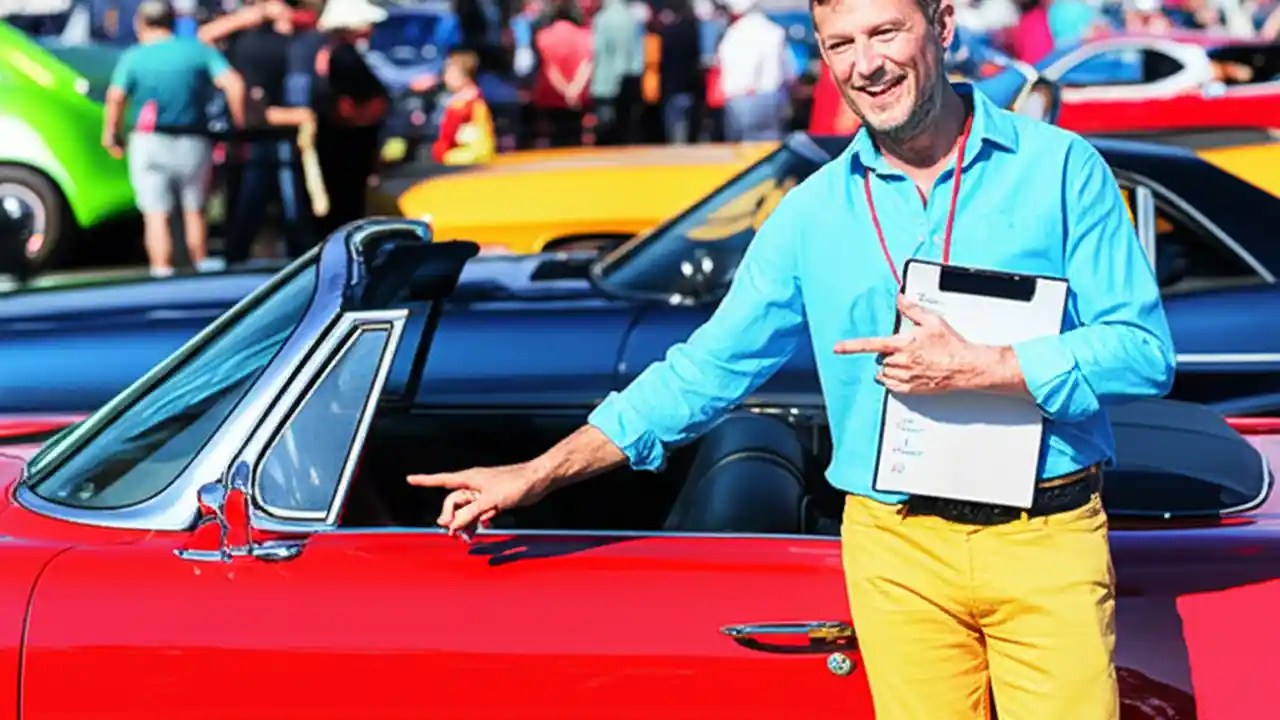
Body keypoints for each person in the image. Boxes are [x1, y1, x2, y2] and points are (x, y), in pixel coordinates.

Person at [405, 0, 1177, 717]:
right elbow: (701, 371)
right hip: (894, 546)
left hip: (1041, 539)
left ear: (941, 27)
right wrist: (539, 470)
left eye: (885, 33)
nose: (865, 64)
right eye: (841, 44)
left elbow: (1142, 354)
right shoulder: (810, 213)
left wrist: (988, 365)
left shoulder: (1060, 169)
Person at [103, 0, 246, 277]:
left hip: (148, 141)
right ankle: (200, 263)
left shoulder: (134, 56)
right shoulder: (197, 51)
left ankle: (162, 270)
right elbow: (234, 84)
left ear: (140, 23)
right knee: (195, 209)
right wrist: (238, 125)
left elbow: (116, 97)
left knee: (156, 214)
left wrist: (112, 134)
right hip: (194, 141)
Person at [199, 0, 317, 264]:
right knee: (246, 207)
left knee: (293, 208)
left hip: (285, 132)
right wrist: (253, 15)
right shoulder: (241, 32)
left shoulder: (297, 34)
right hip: (252, 133)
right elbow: (204, 37)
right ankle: (236, 257)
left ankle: (301, 258)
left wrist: (285, 18)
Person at [285, 0, 390, 239]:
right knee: (346, 206)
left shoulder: (321, 48)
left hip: (334, 137)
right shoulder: (344, 55)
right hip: (347, 141)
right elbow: (366, 96)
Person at [715, 0, 794, 141]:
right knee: (770, 148)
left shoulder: (734, 33)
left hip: (742, 98)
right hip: (771, 96)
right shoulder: (774, 31)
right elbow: (788, 69)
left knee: (741, 149)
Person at [430, 49, 498, 164]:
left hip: (470, 152)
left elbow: (448, 133)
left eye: (449, 73)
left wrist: (439, 151)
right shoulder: (476, 97)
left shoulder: (461, 103)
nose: (446, 78)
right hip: (481, 150)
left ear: (465, 77)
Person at [590, 0, 644, 145]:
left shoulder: (602, 18)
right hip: (628, 79)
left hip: (604, 81)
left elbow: (596, 51)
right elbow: (638, 55)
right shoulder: (631, 18)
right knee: (625, 126)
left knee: (605, 126)